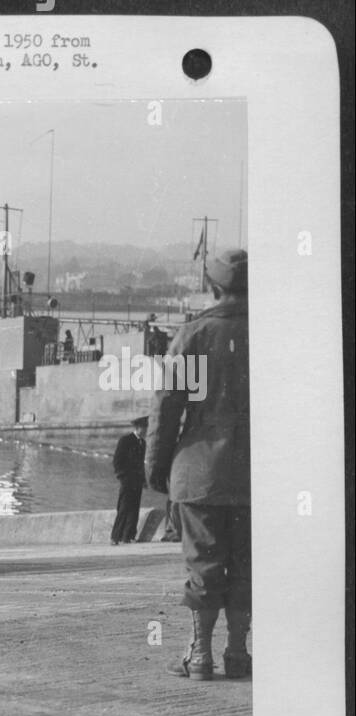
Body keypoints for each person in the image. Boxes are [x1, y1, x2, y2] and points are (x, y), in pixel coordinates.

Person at [146, 248, 250, 680]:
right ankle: (238, 653)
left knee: (204, 561)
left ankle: (201, 655)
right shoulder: (279, 334)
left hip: (201, 472)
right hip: (257, 475)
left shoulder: (193, 335)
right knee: (248, 564)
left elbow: (166, 409)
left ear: (214, 286)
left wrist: (156, 468)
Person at [111, 415, 147, 544]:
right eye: (145, 428)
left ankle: (128, 536)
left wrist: (143, 480)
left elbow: (141, 464)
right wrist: (122, 477)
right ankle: (115, 537)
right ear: (138, 428)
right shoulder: (125, 440)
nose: (146, 431)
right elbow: (117, 461)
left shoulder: (143, 443)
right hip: (127, 480)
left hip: (137, 481)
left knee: (134, 509)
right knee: (123, 508)